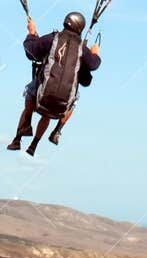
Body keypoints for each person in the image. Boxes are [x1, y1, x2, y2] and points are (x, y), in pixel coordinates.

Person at [7, 11, 101, 155]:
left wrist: (32, 33)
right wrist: (95, 53)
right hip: (62, 105)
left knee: (32, 89)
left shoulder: (53, 38)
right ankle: (52, 133)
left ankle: (18, 138)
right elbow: (93, 66)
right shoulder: (82, 49)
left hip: (41, 96)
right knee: (73, 99)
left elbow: (31, 51)